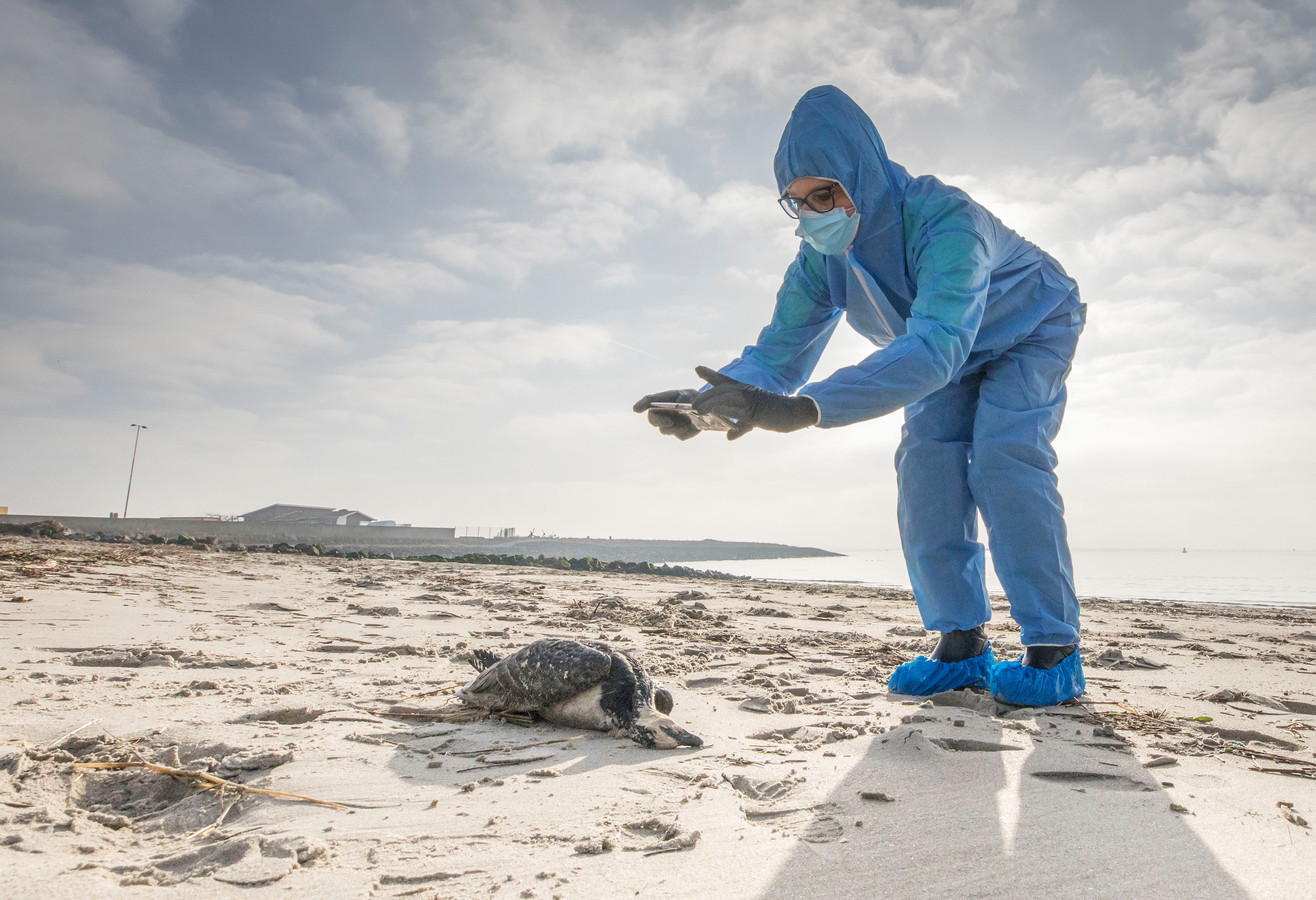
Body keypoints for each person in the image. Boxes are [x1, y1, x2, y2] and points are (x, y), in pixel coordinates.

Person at [634, 85, 1086, 707]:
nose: (815, 212)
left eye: (825, 193)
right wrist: (713, 404)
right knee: (926, 468)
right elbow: (776, 354)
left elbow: (935, 347)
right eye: (798, 202)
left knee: (1005, 458)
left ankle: (1052, 648)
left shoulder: (949, 221)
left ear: (862, 173)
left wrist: (807, 409)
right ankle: (961, 644)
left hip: (1027, 327)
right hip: (936, 351)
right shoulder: (821, 258)